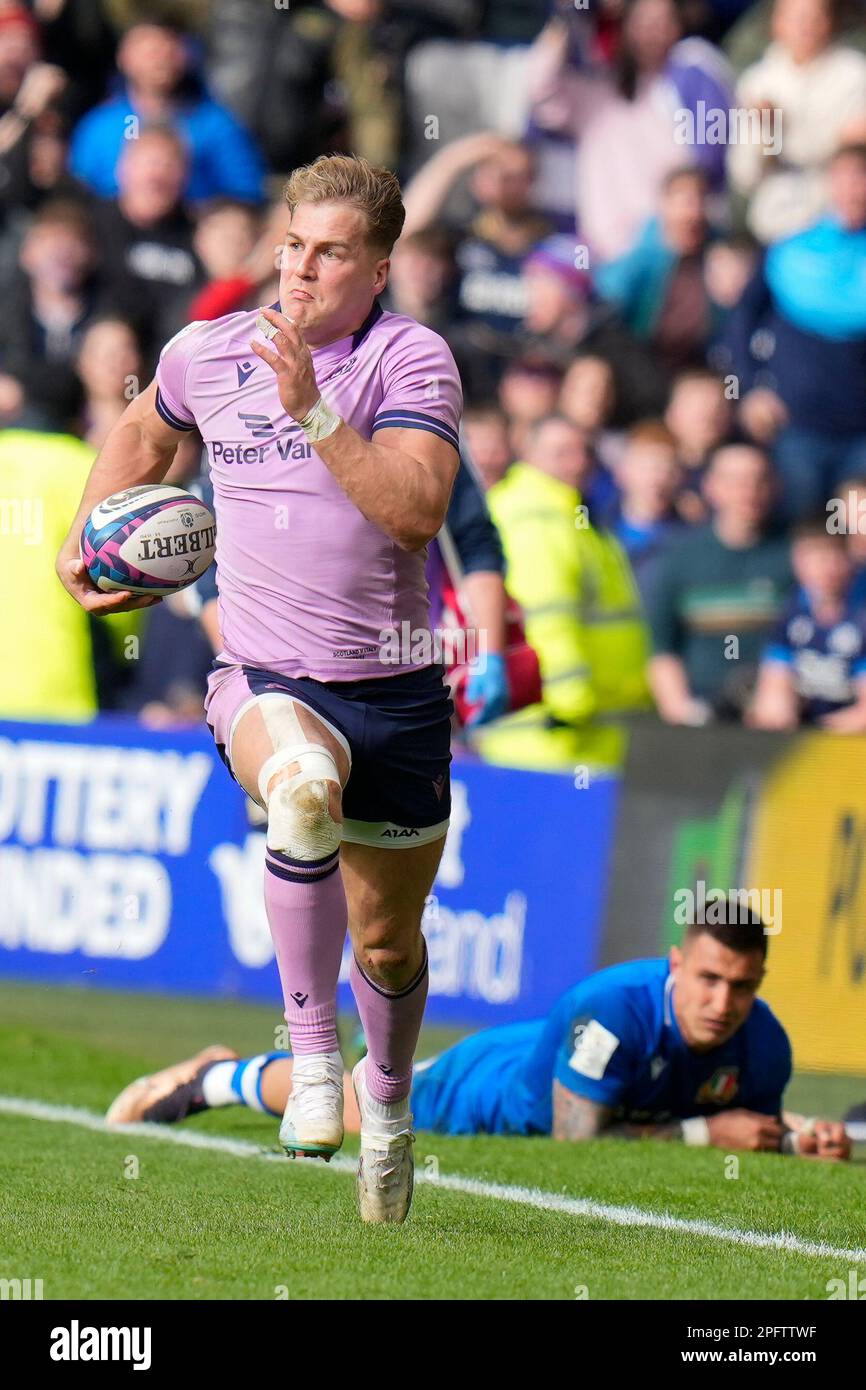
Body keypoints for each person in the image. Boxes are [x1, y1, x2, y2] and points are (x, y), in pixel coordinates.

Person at [56, 153, 463, 1226]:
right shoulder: (207, 350)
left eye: (332, 253)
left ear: (377, 269)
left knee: (387, 944)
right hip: (267, 672)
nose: (302, 270)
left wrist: (315, 409)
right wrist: (88, 546)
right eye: (293, 245)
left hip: (398, 694)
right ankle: (312, 1058)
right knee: (294, 790)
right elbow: (146, 432)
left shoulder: (410, 360)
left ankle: (385, 1096)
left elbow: (414, 512)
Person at [105, 911, 851, 1162]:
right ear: (677, 964)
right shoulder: (611, 1010)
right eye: (710, 981)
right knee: (351, 1110)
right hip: (482, 1093)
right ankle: (217, 1076)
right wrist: (701, 1138)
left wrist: (795, 1137)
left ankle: (219, 1073)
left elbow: (743, 1126)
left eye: (744, 986)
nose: (725, 1003)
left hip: (539, 1056)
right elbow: (578, 1143)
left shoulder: (766, 1043)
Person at [475, 412, 650, 773]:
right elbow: (546, 615)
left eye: (583, 451)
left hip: (582, 730)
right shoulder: (536, 516)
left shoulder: (570, 512)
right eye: (561, 452)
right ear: (528, 454)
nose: (577, 462)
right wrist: (569, 702)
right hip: (554, 732)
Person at [726, 143, 866, 522]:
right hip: (798, 430)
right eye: (846, 177)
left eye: (862, 178)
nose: (855, 189)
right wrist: (750, 388)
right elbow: (740, 322)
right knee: (801, 535)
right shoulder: (790, 251)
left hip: (861, 436)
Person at [648, 444, 793, 724]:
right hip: (702, 716)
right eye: (736, 481)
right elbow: (662, 649)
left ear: (774, 486)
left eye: (759, 480)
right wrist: (682, 711)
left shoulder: (794, 557)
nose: (749, 491)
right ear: (711, 487)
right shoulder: (680, 558)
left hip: (777, 718)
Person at [68, 20, 266, 204]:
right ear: (124, 57)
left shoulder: (216, 125)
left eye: (169, 51)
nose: (160, 62)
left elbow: (245, 194)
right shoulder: (99, 126)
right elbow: (77, 191)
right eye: (151, 52)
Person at [728, 0, 866, 244]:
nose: (806, 26)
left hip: (840, 209)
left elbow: (853, 146)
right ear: (776, 23)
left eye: (815, 17)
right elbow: (744, 175)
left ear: (830, 21)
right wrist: (768, 133)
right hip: (777, 215)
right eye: (796, 17)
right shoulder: (758, 83)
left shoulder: (855, 74)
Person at [748, 519, 866, 731]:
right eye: (816, 558)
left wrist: (810, 735)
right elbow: (773, 687)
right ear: (798, 562)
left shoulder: (860, 616)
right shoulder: (792, 611)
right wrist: (777, 711)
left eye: (835, 556)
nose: (827, 568)